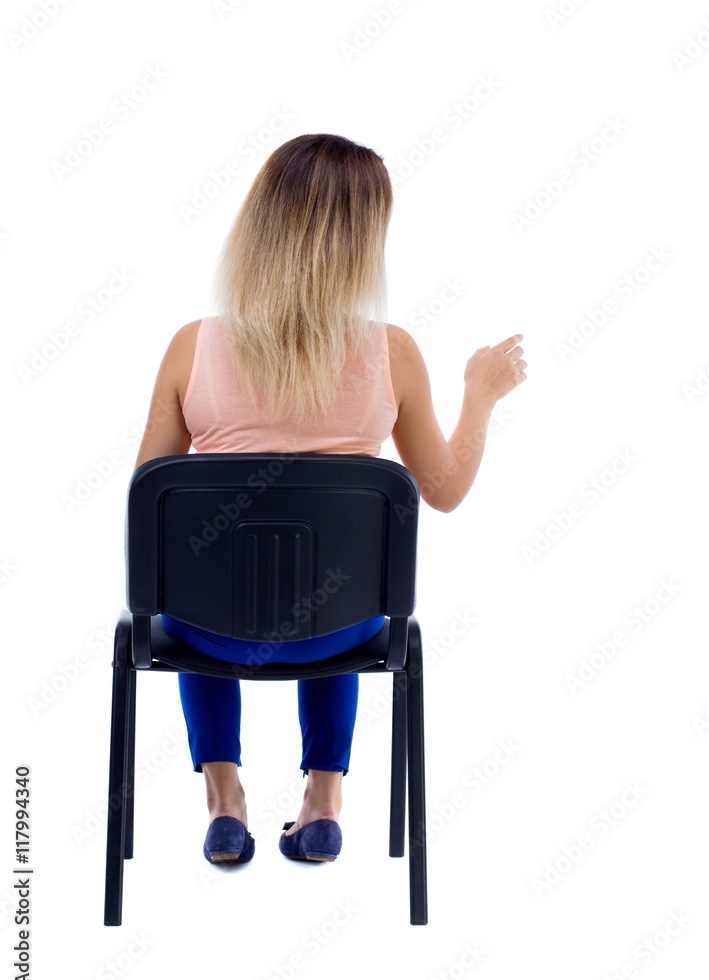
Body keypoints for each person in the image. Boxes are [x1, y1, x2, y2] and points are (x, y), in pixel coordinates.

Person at [133, 132, 527, 867]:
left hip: (206, 633)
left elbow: (148, 504)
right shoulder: (394, 354)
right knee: (337, 581)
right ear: (362, 241)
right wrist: (480, 395)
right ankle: (323, 800)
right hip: (339, 632)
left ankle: (223, 797)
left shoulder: (192, 346)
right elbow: (443, 492)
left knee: (195, 579)